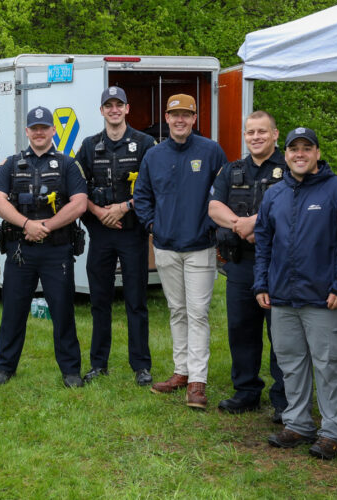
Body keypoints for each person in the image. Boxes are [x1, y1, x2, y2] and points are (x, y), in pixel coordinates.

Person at [255, 127, 337, 460]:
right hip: (281, 297)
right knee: (291, 363)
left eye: (308, 148)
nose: (300, 154)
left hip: (325, 298)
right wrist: (261, 283)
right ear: (286, 154)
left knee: (329, 364)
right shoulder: (275, 194)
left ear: (318, 153)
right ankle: (298, 423)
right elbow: (263, 243)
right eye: (294, 149)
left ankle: (333, 430)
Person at [134, 94, 225, 409]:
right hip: (166, 246)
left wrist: (214, 228)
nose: (180, 120)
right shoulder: (154, 155)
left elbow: (223, 193)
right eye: (175, 115)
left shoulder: (211, 151)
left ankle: (198, 381)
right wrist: (152, 225)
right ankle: (181, 372)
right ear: (168, 118)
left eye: (187, 115)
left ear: (195, 118)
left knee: (198, 313)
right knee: (177, 311)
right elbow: (142, 195)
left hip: (200, 246)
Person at [0, 106, 88, 388]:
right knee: (13, 310)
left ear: (53, 130)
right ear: (27, 131)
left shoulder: (68, 164)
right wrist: (26, 225)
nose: (40, 132)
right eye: (35, 128)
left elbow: (79, 203)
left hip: (57, 249)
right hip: (21, 249)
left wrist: (46, 226)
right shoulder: (11, 164)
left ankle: (70, 371)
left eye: (45, 127)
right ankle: (5, 367)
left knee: (63, 310)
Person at [208, 110, 288, 421]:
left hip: (279, 266)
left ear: (275, 134)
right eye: (250, 132)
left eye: (262, 132)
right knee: (241, 329)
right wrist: (241, 225)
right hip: (241, 264)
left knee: (281, 333)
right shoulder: (233, 169)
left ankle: (284, 399)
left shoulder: (289, 168)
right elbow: (214, 206)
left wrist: (258, 223)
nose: (256, 137)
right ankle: (246, 392)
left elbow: (293, 206)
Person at [75, 86, 156, 387]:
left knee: (136, 301)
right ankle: (99, 364)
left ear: (127, 108)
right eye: (108, 105)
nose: (113, 110)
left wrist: (123, 207)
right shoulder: (88, 145)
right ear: (101, 111)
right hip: (100, 233)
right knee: (100, 301)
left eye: (118, 105)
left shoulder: (145, 143)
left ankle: (141, 366)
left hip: (132, 233)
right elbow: (78, 189)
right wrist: (98, 212)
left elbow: (152, 188)